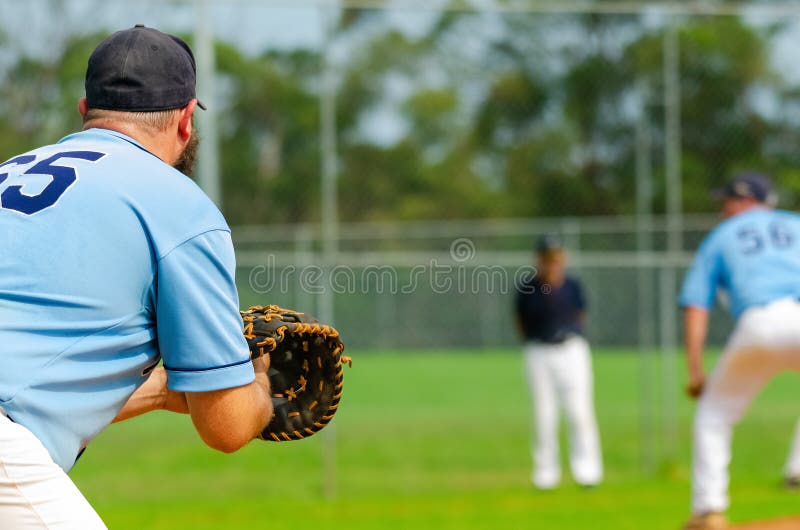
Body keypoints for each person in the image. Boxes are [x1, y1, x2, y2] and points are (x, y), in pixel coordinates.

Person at [0, 25, 273, 529]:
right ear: (187, 120)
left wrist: (171, 388)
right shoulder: (181, 207)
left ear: (85, 112)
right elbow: (227, 426)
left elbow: (33, 378)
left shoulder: (9, 172)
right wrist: (259, 389)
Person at [679, 173, 800, 530]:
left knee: (714, 413)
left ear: (746, 201)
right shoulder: (795, 224)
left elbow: (695, 303)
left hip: (760, 322)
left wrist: (696, 370)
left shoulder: (722, 236)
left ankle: (709, 510)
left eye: (727, 201)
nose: (722, 209)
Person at [514, 235, 603, 490]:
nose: (551, 263)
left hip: (571, 349)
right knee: (544, 414)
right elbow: (519, 321)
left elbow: (580, 314)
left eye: (555, 257)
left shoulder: (572, 286)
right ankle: (546, 474)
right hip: (540, 350)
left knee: (579, 411)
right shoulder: (528, 287)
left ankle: (587, 472)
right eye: (547, 258)